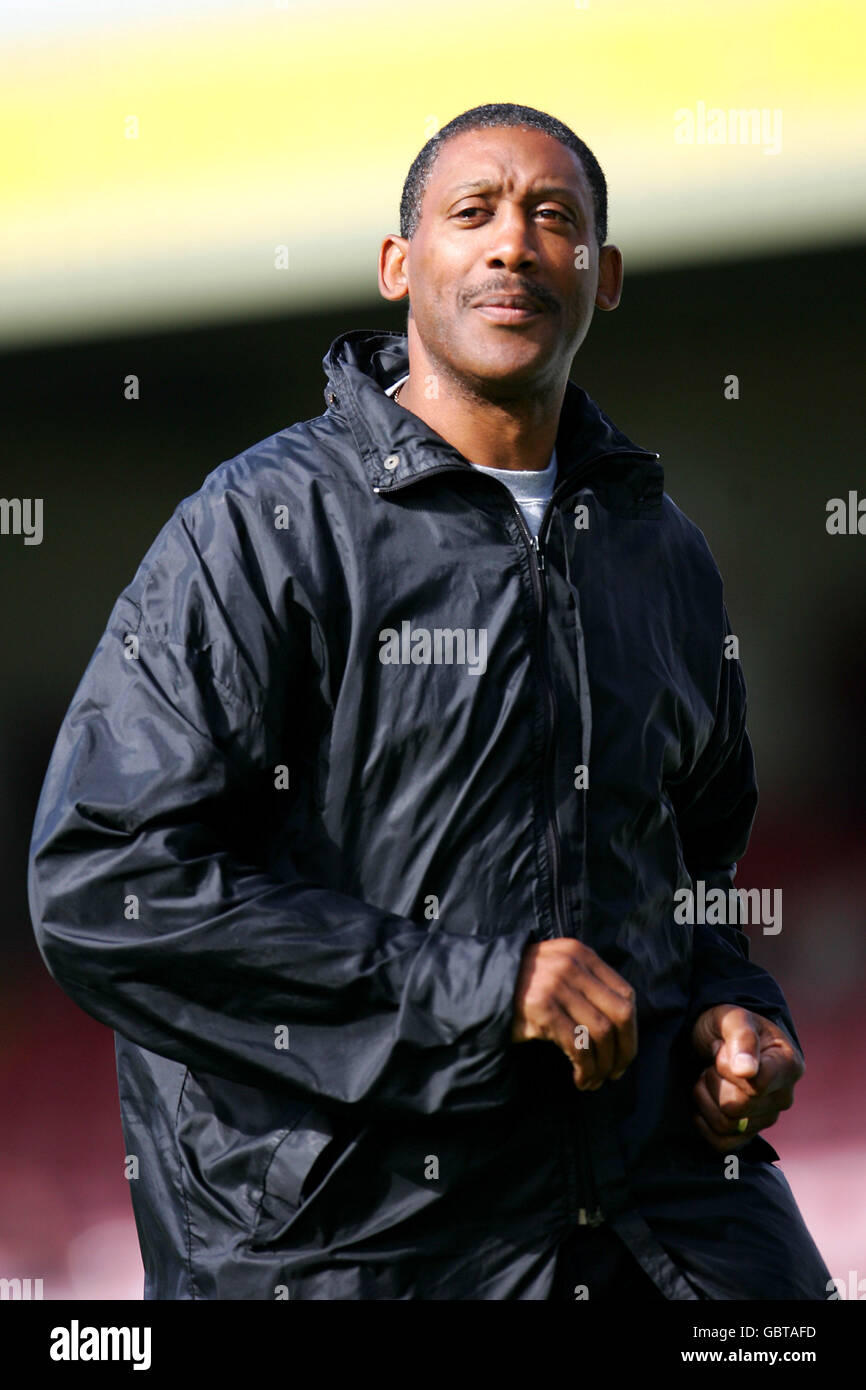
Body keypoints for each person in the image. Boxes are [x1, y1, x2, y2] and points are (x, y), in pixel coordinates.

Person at [28, 102, 831, 1301]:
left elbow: (686, 877)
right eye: (474, 213)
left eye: (552, 218)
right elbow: (101, 885)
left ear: (600, 276)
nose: (513, 243)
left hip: (654, 1208)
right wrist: (479, 987)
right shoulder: (256, 529)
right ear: (400, 268)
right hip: (357, 1233)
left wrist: (728, 1010)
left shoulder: (660, 552)